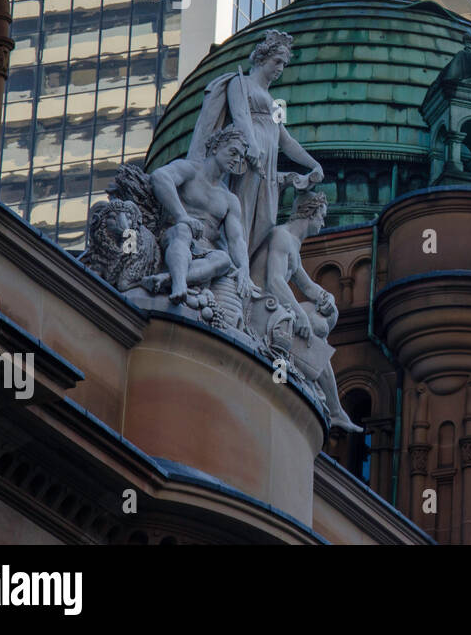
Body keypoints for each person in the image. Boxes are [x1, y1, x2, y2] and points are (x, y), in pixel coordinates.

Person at [188, 29, 323, 271]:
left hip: (267, 170)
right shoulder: (240, 83)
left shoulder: (274, 102)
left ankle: (243, 267)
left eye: (284, 63)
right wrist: (252, 149)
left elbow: (287, 140)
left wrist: (313, 164)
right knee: (242, 214)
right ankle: (233, 267)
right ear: (262, 58)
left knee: (266, 221)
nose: (281, 68)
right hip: (249, 162)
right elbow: (240, 117)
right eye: (277, 61)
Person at [258, 190, 362, 433]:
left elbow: (305, 284)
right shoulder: (281, 237)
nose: (323, 222)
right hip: (263, 308)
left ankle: (334, 410)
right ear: (310, 213)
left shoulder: (292, 243)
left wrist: (329, 298)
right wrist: (300, 314)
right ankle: (334, 409)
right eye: (322, 216)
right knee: (314, 331)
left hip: (277, 309)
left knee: (320, 325)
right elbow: (274, 281)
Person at [141, 125, 260, 306]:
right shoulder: (189, 170)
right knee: (183, 230)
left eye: (241, 157)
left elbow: (236, 240)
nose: (237, 160)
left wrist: (244, 267)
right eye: (233, 152)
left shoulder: (229, 199)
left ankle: (168, 279)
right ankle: (179, 284)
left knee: (224, 259)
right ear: (215, 147)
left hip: (204, 249)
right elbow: (160, 177)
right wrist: (182, 216)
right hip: (174, 235)